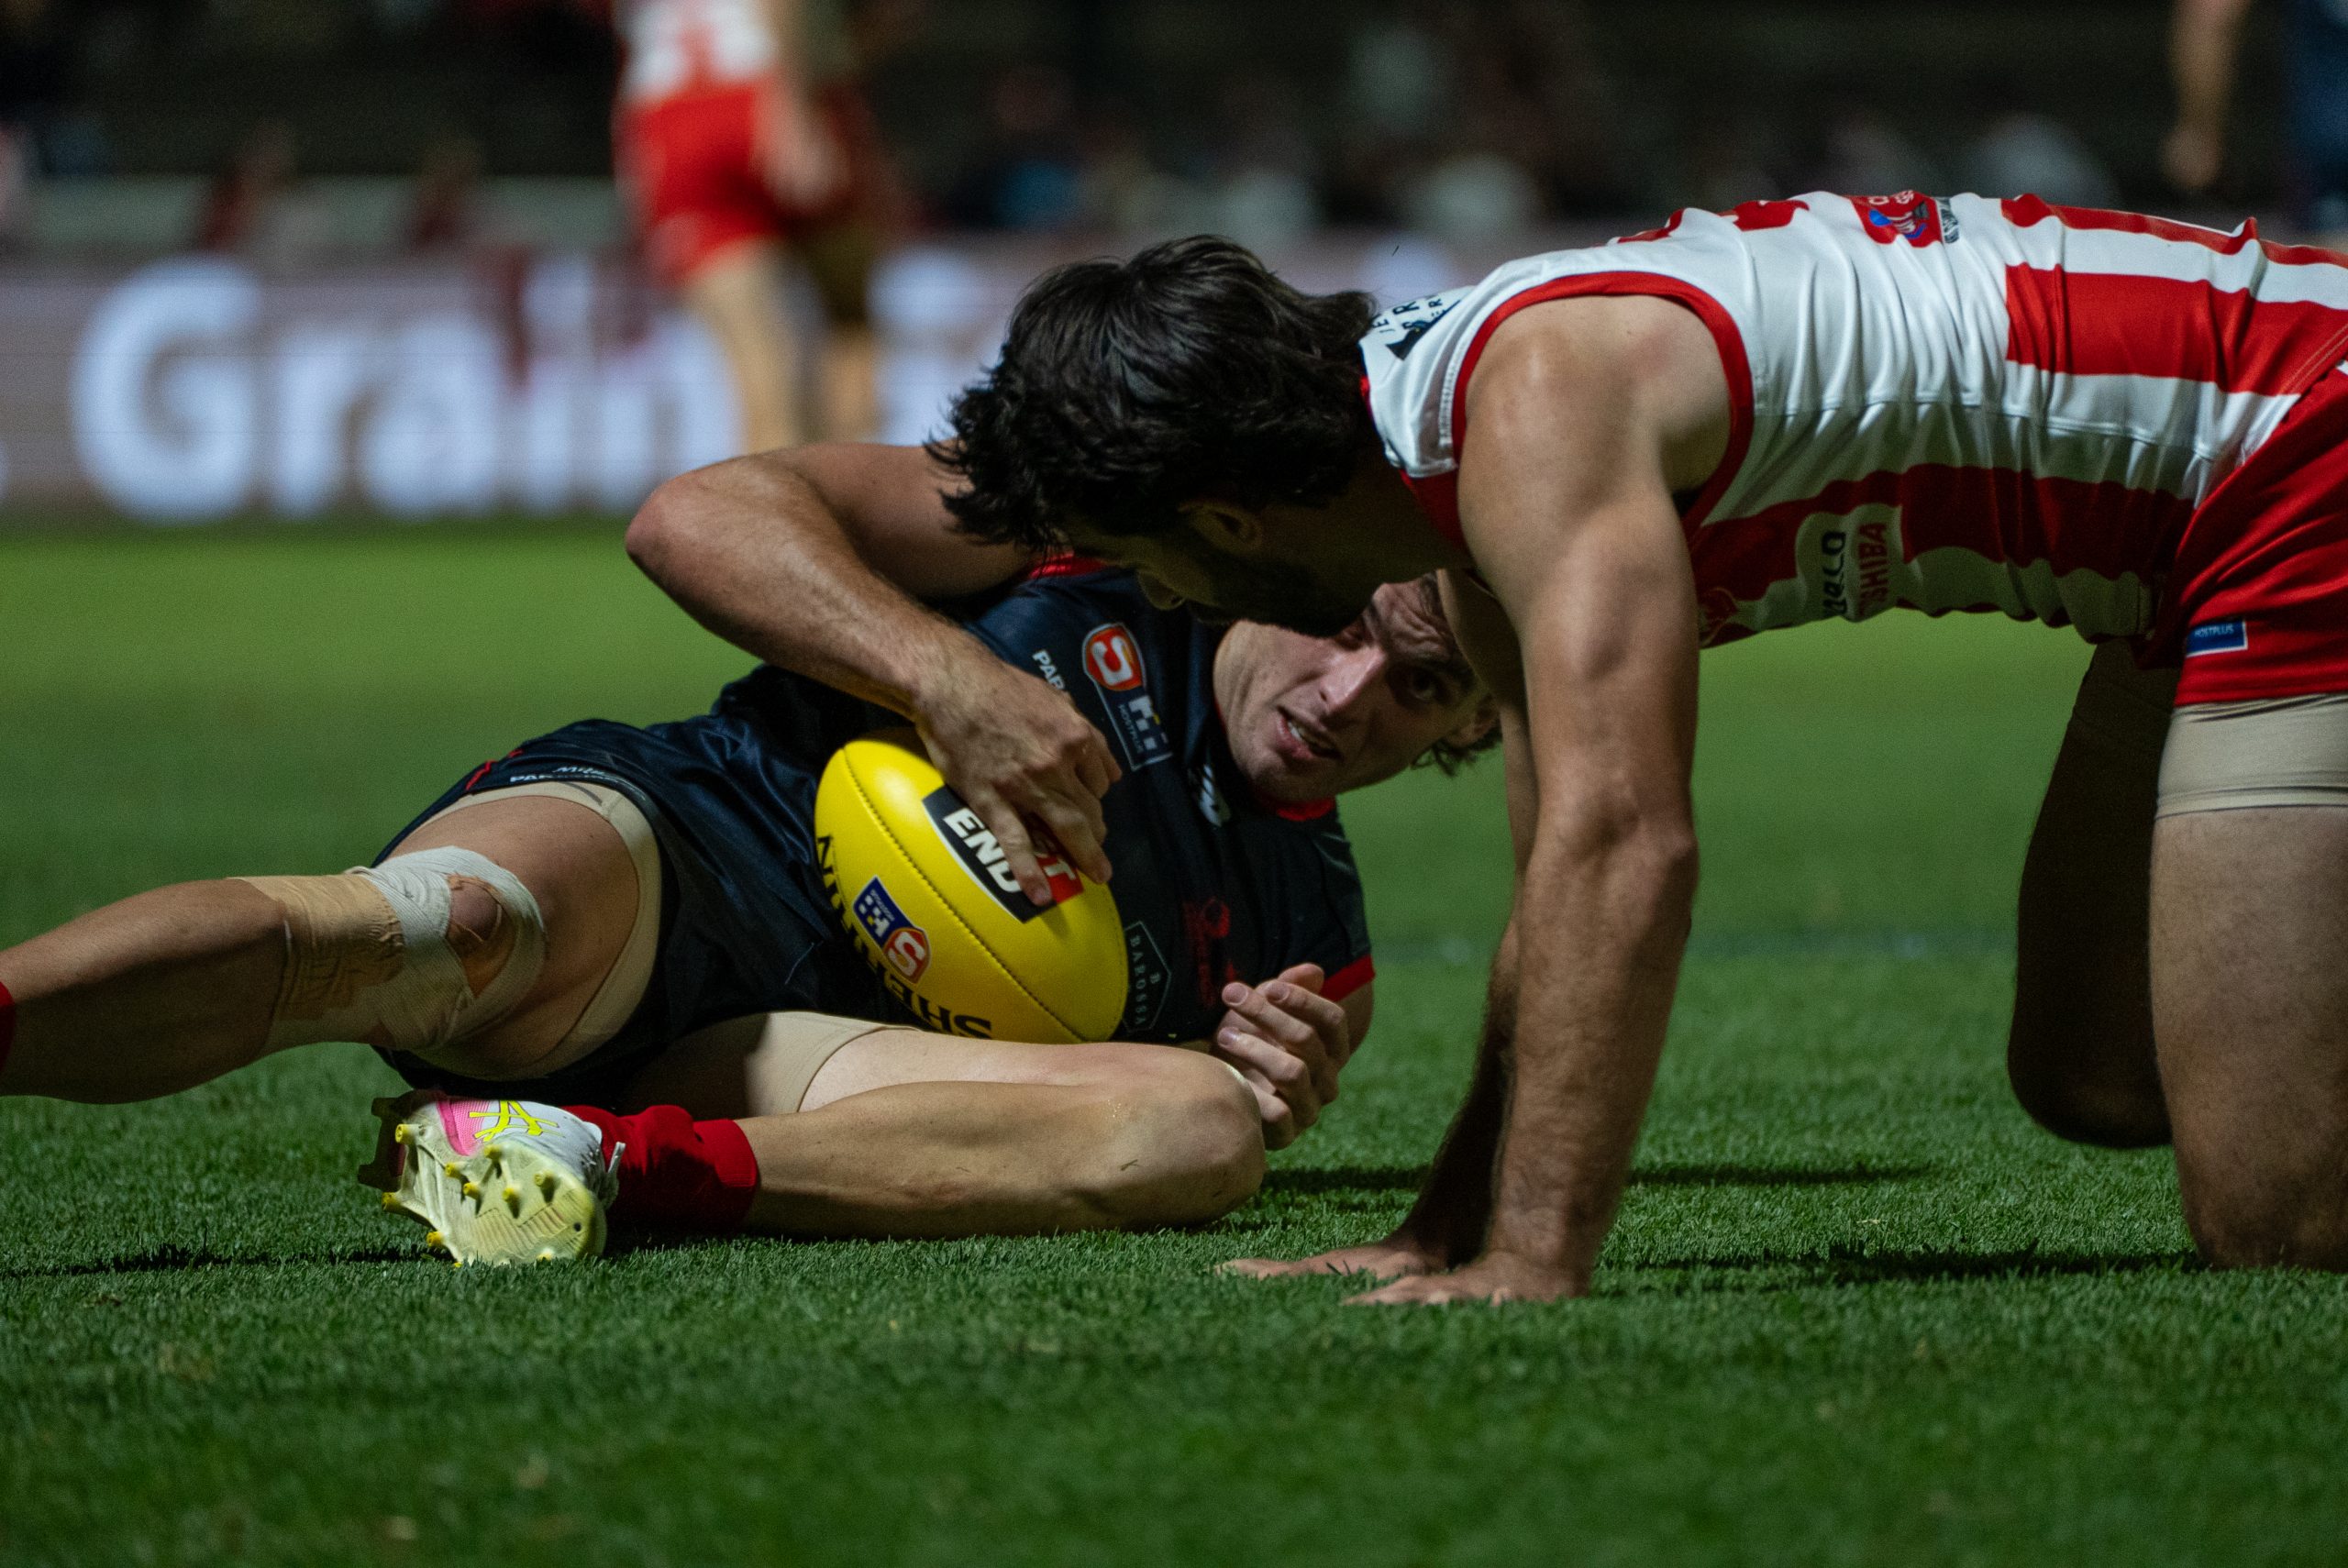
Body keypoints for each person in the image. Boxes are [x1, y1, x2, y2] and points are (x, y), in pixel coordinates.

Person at [920, 203, 2348, 1301]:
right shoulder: (1446, 449)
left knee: (2276, 1221)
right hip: (2180, 550)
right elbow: (1559, 877)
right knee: (2092, 1078)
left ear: (1226, 520)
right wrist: (1447, 1226)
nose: (1162, 602)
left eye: (1146, 562)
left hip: (2294, 451)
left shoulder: (1526, 412)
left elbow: (1630, 843)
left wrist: (1536, 1258)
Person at [0, 441, 1495, 1264]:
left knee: (1199, 1137)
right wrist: (949, 678)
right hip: (683, 847)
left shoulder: (1319, 932)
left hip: (801, 1058)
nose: (1349, 694)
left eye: (1425, 685)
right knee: (439, 928)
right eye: (1352, 623)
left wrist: (1260, 1085)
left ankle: (592, 1174)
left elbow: (1114, 1105)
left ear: (1470, 726)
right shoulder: (1093, 542)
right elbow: (693, 519)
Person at [608, 0, 903, 448]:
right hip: (766, 92)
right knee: (849, 330)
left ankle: (781, 501)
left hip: (670, 123)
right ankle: (849, 492)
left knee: (762, 374)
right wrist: (796, 108)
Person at [2165, 0, 2348, 242]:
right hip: (2329, 157)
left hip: (2329, 155)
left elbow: (2212, 15)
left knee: (2329, 269)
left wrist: (2199, 134)